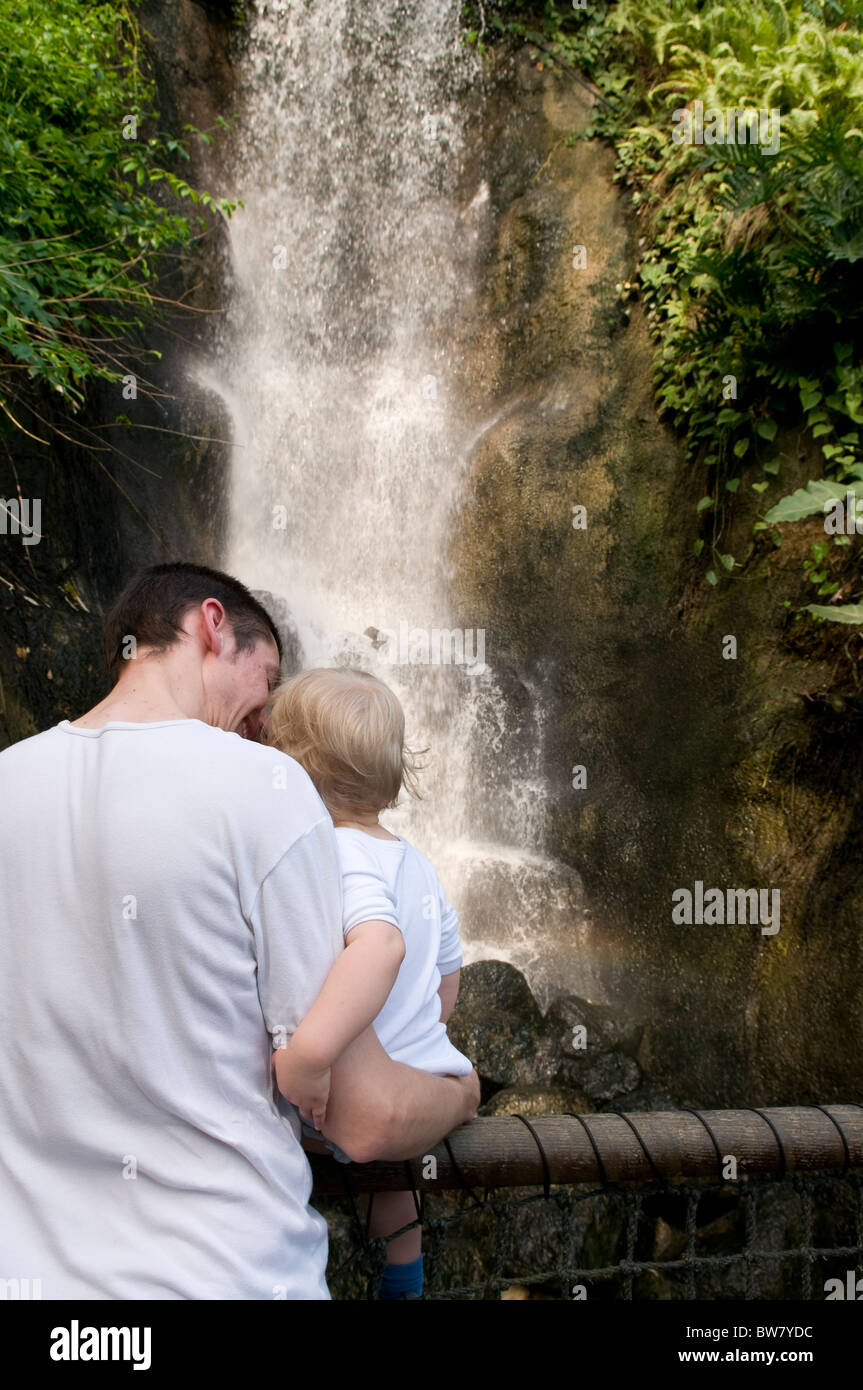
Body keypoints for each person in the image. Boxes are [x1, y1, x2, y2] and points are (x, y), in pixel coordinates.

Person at [0, 562, 479, 1300]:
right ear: (213, 624)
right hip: (225, 1274)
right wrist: (463, 1094)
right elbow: (367, 1118)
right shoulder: (266, 787)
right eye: (270, 677)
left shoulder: (10, 780)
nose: (267, 722)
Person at [264, 667, 473, 1301]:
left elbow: (381, 946)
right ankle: (404, 1279)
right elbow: (446, 980)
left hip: (337, 1104)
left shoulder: (333, 850)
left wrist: (307, 1056)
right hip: (421, 1087)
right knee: (397, 1190)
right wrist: (418, 1036)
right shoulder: (419, 864)